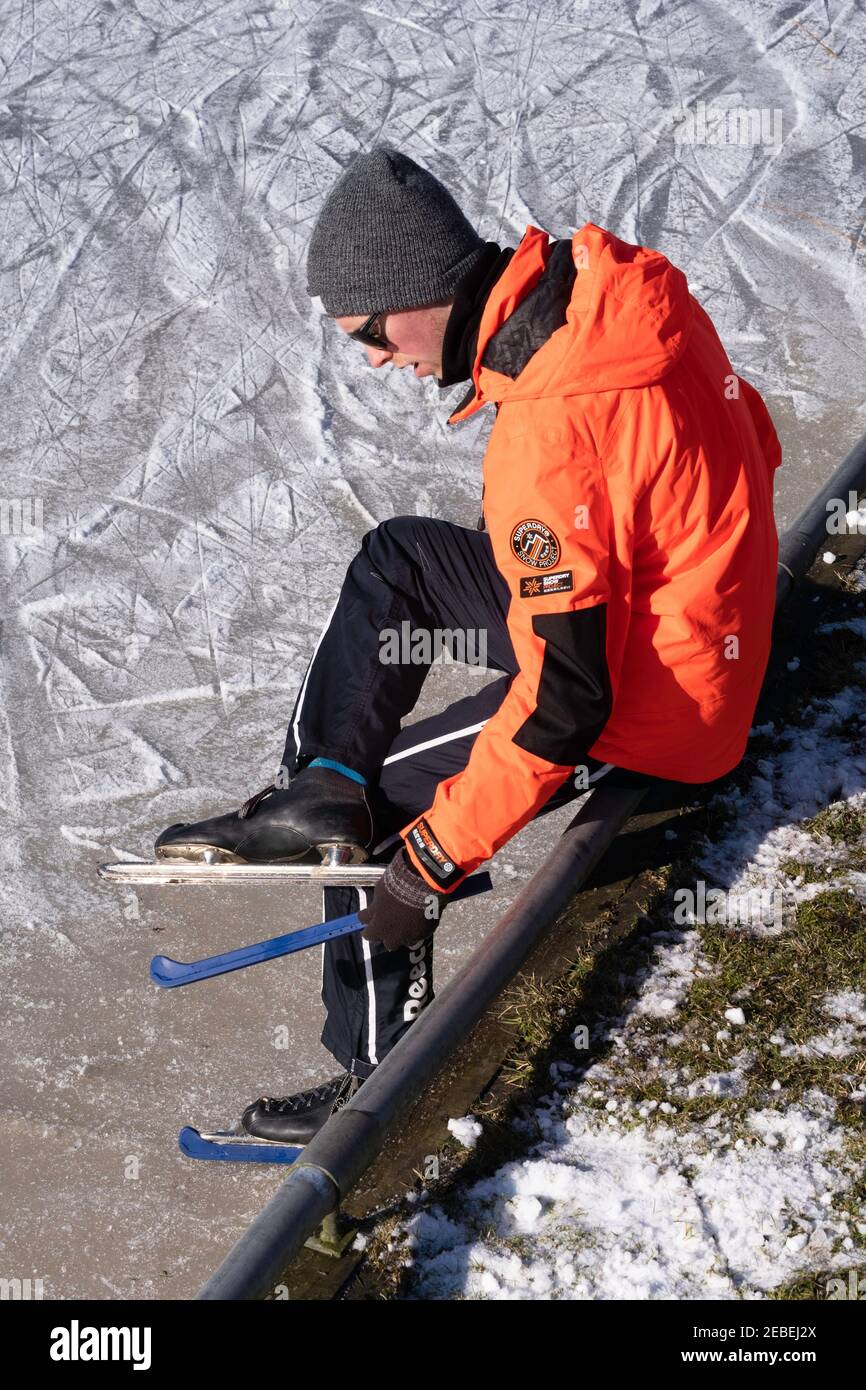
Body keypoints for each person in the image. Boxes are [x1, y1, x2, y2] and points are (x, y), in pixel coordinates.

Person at [156, 146, 782, 1142]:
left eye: (366, 329)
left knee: (385, 819)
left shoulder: (548, 443)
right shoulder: (612, 292)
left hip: (652, 700)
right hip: (681, 613)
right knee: (398, 559)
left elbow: (565, 702)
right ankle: (325, 777)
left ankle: (374, 1072)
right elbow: (755, 435)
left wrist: (425, 870)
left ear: (422, 292)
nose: (368, 355)